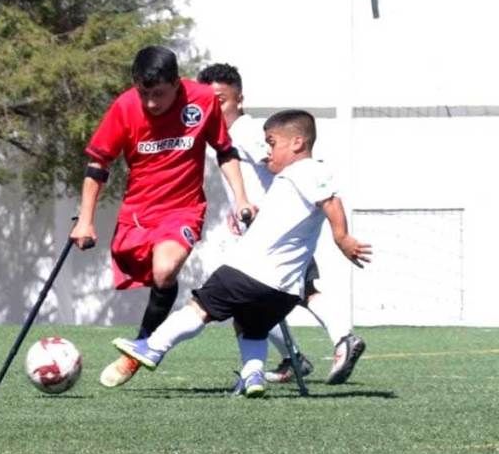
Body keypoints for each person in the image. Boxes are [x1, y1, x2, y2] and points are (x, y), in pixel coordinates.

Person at [108, 109, 373, 397]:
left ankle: (153, 346)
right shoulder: (292, 178)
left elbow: (330, 200)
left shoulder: (307, 169)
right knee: (252, 327)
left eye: (272, 143)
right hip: (285, 291)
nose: (268, 151)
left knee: (199, 309)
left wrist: (342, 237)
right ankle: (252, 375)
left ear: (297, 143)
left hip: (248, 273)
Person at [69, 46, 256, 388]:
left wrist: (240, 199)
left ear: (177, 84)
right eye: (145, 93)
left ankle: (142, 346)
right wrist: (85, 219)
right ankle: (144, 344)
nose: (152, 103)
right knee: (149, 271)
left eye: (159, 94)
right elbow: (98, 164)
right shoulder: (125, 107)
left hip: (183, 209)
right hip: (138, 213)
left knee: (165, 269)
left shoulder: (202, 100)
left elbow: (224, 151)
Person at [197, 63, 368, 385]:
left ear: (240, 99)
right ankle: (296, 359)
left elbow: (281, 162)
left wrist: (255, 204)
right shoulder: (223, 136)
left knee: (303, 290)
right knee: (251, 303)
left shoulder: (245, 133)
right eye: (206, 101)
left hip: (277, 233)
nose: (213, 107)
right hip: (259, 234)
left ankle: (342, 338)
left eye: (220, 100)